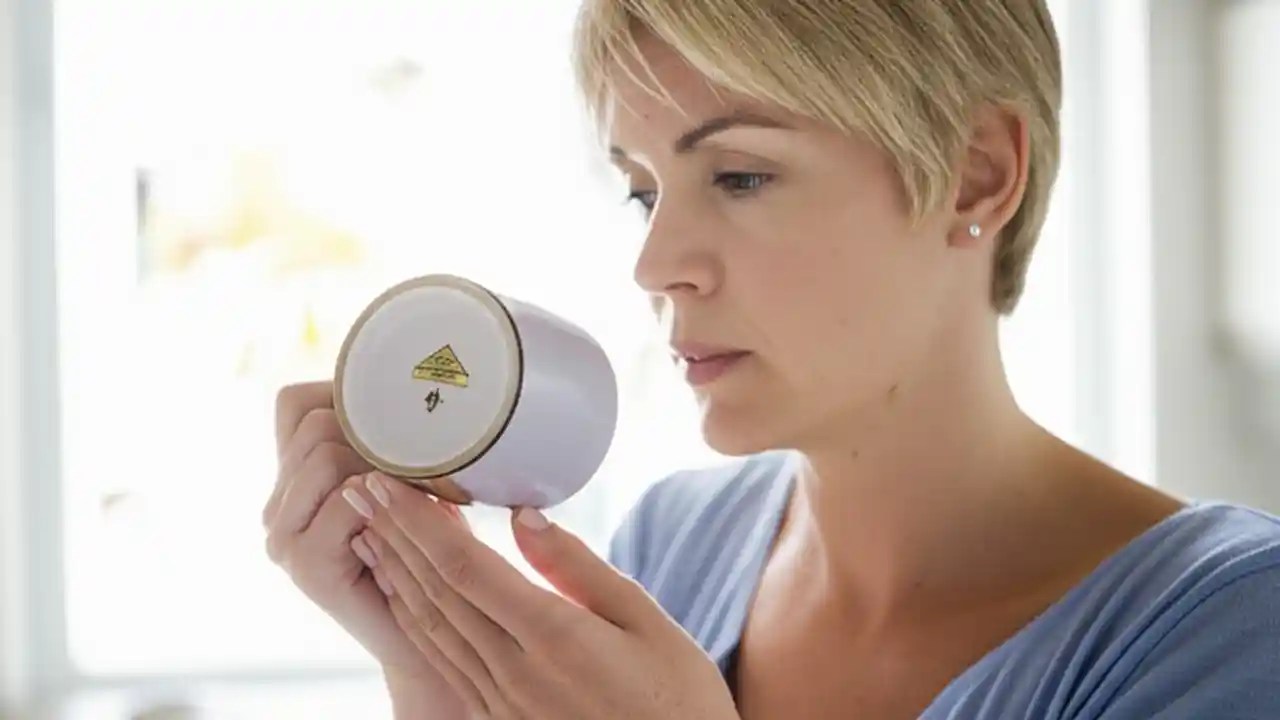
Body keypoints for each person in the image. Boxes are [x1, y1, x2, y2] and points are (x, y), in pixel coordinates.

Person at [264, 1, 1280, 718]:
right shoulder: (671, 547)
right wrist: (434, 676)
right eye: (642, 189)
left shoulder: (1229, 628)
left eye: (740, 177)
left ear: (976, 177)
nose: (656, 264)